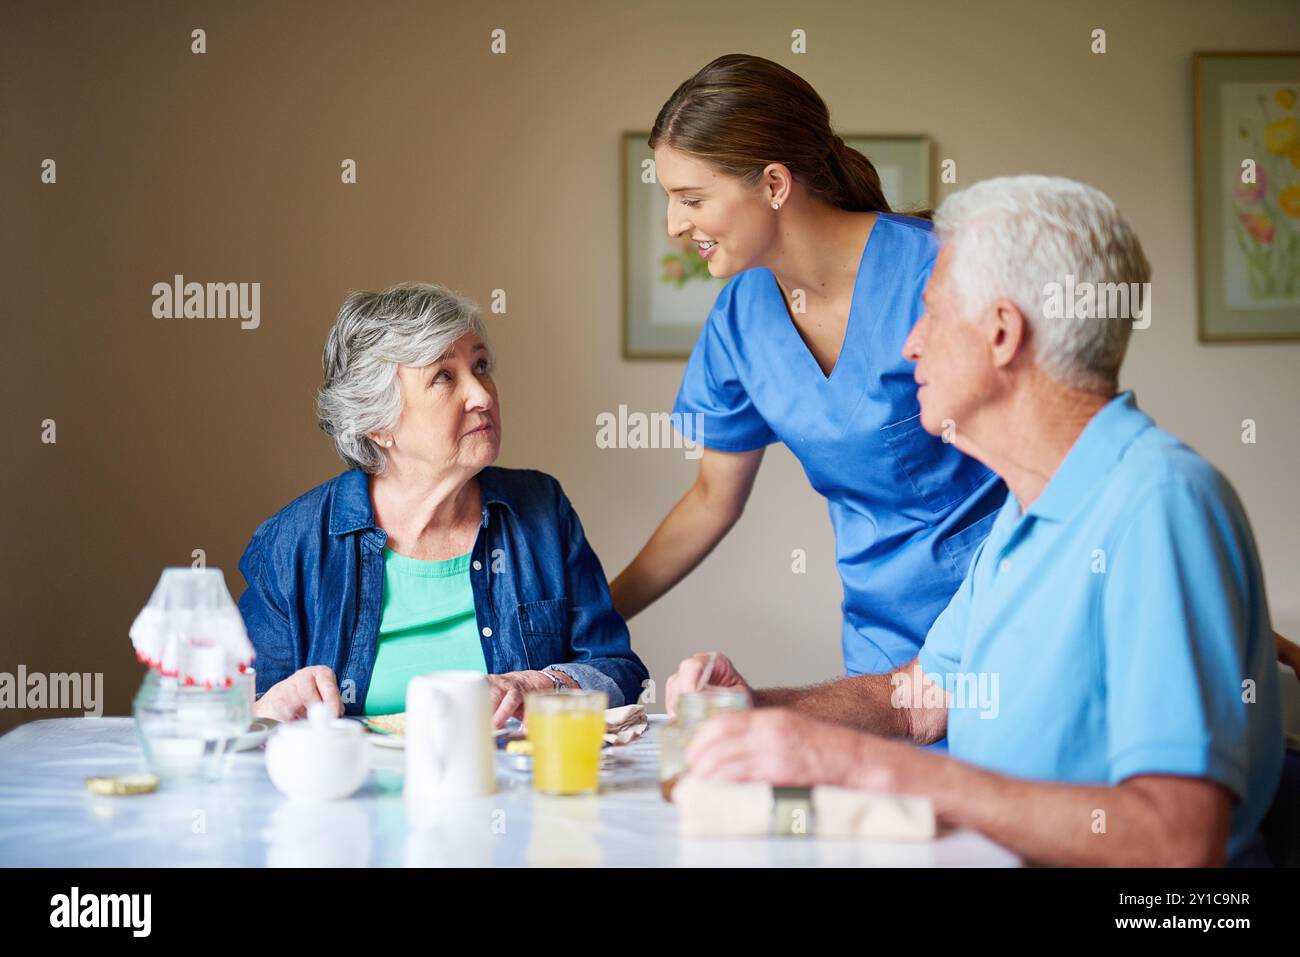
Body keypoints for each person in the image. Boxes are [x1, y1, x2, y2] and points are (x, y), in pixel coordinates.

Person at [667, 176, 1285, 866]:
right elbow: (915, 702)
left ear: (1001, 331)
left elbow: (1178, 839)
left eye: (929, 312)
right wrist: (757, 707)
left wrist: (873, 767)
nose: (908, 344)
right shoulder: (1025, 513)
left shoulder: (1158, 504)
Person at [612, 54, 1005, 681]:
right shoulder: (741, 319)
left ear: (772, 184)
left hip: (1007, 621)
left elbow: (1056, 455)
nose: (674, 225)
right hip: (882, 645)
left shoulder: (941, 275)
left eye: (691, 198)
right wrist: (595, 621)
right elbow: (712, 498)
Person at [238, 282, 648, 727]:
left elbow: (620, 673)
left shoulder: (541, 511)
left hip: (509, 787)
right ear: (378, 423)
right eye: (444, 376)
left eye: (481, 366)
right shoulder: (293, 543)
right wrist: (266, 707)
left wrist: (542, 684)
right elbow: (239, 716)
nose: (483, 395)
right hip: (358, 790)